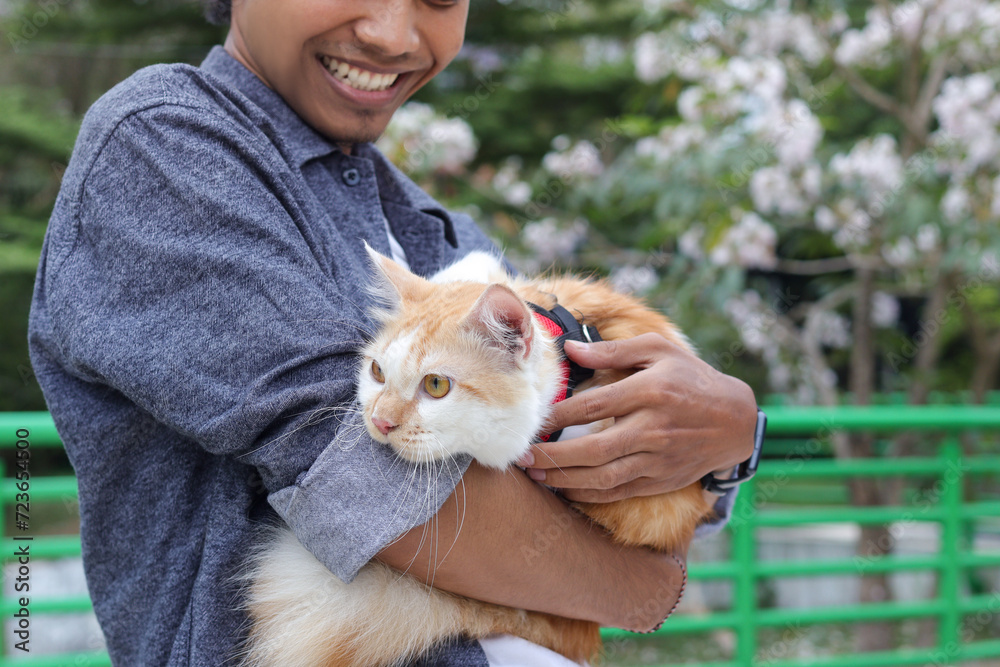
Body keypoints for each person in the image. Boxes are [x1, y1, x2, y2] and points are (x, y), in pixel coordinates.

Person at [27, 1, 759, 665]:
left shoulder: (424, 226)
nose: (391, 33)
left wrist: (728, 442)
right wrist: (639, 591)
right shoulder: (163, 142)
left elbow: (601, 477)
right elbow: (359, 480)